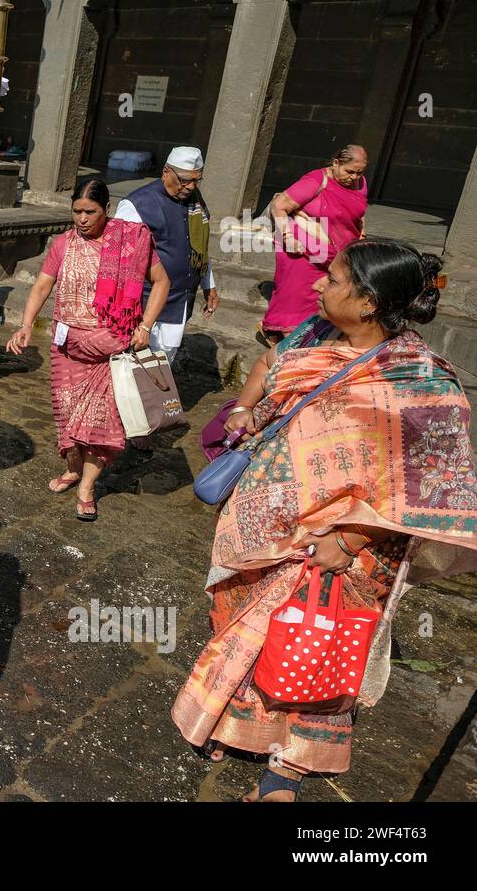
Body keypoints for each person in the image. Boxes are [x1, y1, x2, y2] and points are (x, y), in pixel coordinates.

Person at [173, 240, 477, 801]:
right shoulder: (315, 334)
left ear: (367, 303)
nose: (316, 285)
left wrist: (352, 536)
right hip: (263, 528)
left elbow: (435, 489)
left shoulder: (422, 383)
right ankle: (237, 724)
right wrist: (244, 407)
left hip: (340, 551)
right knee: (250, 631)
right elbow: (270, 363)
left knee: (318, 649)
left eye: (332, 279)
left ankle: (284, 773)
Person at [7, 177, 171, 520]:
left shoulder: (131, 241)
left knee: (101, 422)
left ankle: (87, 487)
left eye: (90, 212)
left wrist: (145, 326)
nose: (82, 219)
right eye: (77, 211)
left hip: (111, 347)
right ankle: (72, 468)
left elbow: (161, 283)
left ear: (106, 210)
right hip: (67, 346)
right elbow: (41, 286)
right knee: (68, 419)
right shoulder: (63, 244)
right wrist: (25, 325)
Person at [114, 146, 217, 368]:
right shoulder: (137, 205)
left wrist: (209, 284)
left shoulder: (195, 203)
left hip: (181, 302)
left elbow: (199, 246)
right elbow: (117, 260)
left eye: (196, 180)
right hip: (145, 304)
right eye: (184, 180)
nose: (190, 187)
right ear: (166, 171)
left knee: (161, 367)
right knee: (133, 370)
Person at [260, 145, 369, 343]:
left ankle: (293, 340)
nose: (354, 177)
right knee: (296, 298)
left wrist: (361, 235)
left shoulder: (360, 183)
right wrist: (287, 237)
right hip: (302, 250)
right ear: (336, 163)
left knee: (322, 300)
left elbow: (360, 213)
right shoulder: (316, 180)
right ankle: (289, 345)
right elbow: (279, 205)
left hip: (336, 255)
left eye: (359, 172)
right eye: (349, 171)